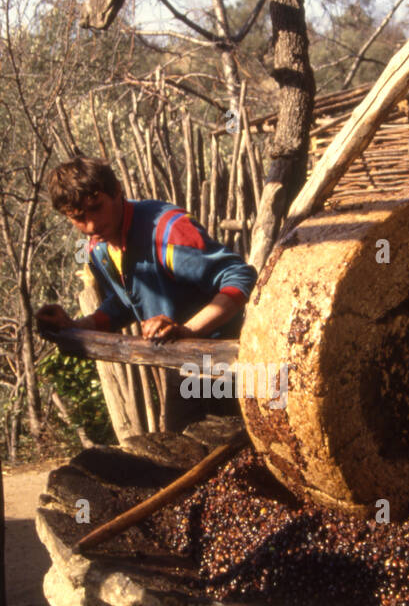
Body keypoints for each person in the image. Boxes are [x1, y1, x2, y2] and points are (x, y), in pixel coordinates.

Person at [36, 156, 257, 427]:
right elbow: (122, 304)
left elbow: (239, 277)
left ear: (116, 190)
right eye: (78, 218)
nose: (91, 225)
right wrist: (74, 326)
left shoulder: (167, 232)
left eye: (96, 208)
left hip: (228, 366)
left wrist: (188, 330)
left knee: (239, 455)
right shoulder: (99, 249)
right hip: (181, 368)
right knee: (179, 455)